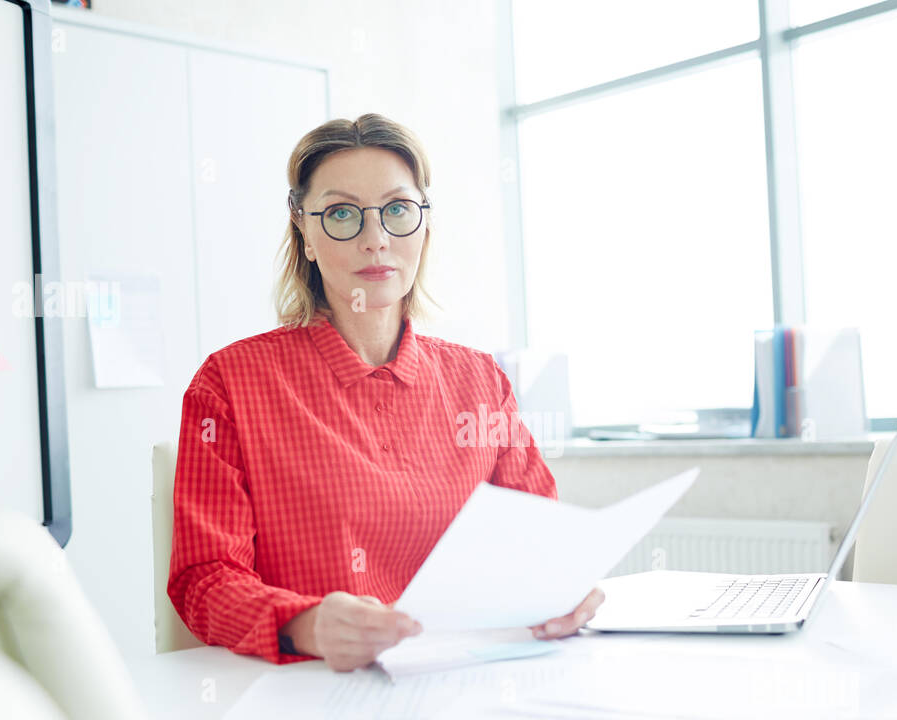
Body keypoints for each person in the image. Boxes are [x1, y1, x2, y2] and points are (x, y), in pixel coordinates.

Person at [168, 113, 604, 672]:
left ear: (424, 225)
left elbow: (540, 539)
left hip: (471, 678)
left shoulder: (481, 381)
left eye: (397, 210)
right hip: (312, 690)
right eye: (342, 214)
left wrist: (564, 587)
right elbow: (204, 581)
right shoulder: (229, 383)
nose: (376, 240)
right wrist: (307, 624)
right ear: (304, 231)